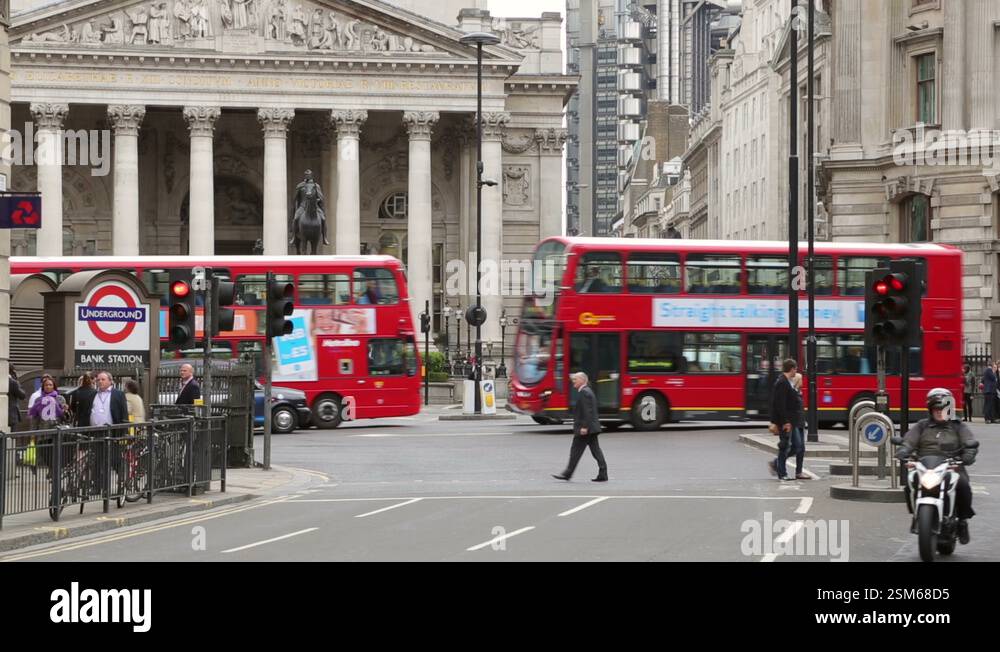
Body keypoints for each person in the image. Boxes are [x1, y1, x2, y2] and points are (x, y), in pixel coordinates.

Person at [896, 388, 978, 545]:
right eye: (937, 409)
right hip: (925, 466)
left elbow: (969, 441)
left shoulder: (957, 426)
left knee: (963, 485)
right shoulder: (922, 426)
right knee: (909, 484)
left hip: (952, 466)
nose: (940, 412)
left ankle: (962, 521)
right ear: (930, 410)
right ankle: (917, 514)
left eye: (944, 409)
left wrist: (968, 454)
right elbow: (909, 440)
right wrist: (904, 450)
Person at [552, 372, 608, 482]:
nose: (574, 381)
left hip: (586, 429)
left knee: (576, 451)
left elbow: (588, 412)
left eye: (575, 379)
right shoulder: (587, 391)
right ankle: (603, 473)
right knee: (596, 451)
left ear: (582, 380)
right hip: (591, 428)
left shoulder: (585, 392)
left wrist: (584, 427)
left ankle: (568, 473)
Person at [768, 359, 806, 481]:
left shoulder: (787, 382)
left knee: (796, 446)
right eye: (795, 369)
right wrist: (785, 422)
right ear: (791, 369)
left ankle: (777, 465)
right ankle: (782, 473)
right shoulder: (782, 382)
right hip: (786, 422)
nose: (796, 371)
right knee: (784, 446)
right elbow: (779, 404)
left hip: (791, 421)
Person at [7, 365, 26, 431]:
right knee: (12, 438)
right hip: (11, 416)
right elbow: (22, 395)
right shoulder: (12, 382)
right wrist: (16, 380)